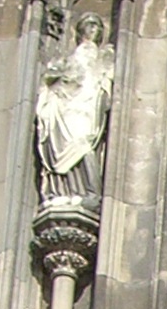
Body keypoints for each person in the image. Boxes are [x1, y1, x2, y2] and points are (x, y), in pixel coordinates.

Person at [35, 11, 114, 198]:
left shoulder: (104, 56)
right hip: (67, 106)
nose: (92, 29)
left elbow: (106, 82)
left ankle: (90, 192)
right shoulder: (68, 59)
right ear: (79, 31)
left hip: (88, 106)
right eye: (88, 25)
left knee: (83, 145)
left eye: (96, 25)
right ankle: (62, 191)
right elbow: (50, 79)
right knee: (63, 144)